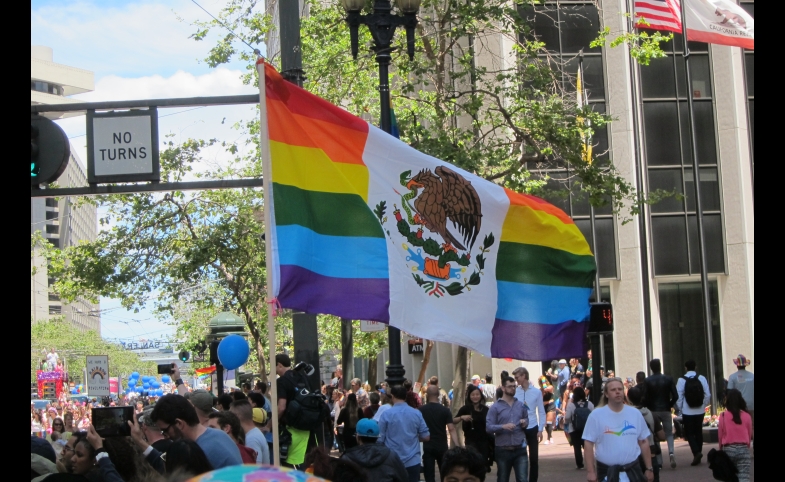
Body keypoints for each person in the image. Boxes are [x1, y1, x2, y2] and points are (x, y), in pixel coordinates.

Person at [143, 393, 242, 470]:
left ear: (179, 423)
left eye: (165, 430)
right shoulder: (219, 435)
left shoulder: (197, 452)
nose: (166, 436)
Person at [582, 378, 654, 482]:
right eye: (613, 390)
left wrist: (649, 468)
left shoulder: (635, 414)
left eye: (620, 389)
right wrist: (591, 471)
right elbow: (588, 444)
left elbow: (643, 441)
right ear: (606, 394)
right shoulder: (596, 415)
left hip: (633, 472)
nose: (617, 392)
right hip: (607, 473)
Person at [378, 384, 431, 482]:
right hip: (413, 460)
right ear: (405, 397)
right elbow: (426, 436)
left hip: (392, 460)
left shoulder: (386, 415)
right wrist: (413, 436)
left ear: (392, 396)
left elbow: (380, 439)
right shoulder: (416, 413)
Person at [486, 376, 528, 482]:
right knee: (503, 479)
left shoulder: (521, 405)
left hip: (520, 449)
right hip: (503, 450)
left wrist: (524, 422)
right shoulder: (495, 407)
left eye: (514, 386)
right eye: (510, 386)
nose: (513, 389)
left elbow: (527, 419)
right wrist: (503, 426)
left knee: (523, 479)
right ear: (503, 388)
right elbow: (488, 427)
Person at [341, 418, 408, 482]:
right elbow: (403, 478)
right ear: (377, 438)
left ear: (357, 437)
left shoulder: (347, 459)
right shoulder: (391, 456)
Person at [275, 353, 312, 469]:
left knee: (290, 467)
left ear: (279, 365)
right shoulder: (303, 377)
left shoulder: (281, 381)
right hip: (306, 428)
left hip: (290, 431)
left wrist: (270, 425)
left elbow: (281, 407)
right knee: (301, 465)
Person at [512, 367, 545, 482]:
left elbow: (541, 411)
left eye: (517, 377)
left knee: (534, 458)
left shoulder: (536, 392)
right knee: (520, 456)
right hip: (519, 427)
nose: (516, 380)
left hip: (532, 426)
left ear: (524, 376)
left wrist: (540, 429)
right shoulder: (515, 391)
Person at [419, 385, 459, 482]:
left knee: (429, 474)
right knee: (444, 472)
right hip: (442, 445)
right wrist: (457, 444)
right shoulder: (445, 410)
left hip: (427, 445)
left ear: (427, 395)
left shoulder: (421, 410)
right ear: (438, 394)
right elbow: (451, 428)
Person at [644, 358, 678, 469]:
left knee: (656, 435)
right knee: (669, 433)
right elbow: (675, 395)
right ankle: (671, 452)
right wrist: (670, 404)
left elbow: (645, 396)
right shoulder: (668, 379)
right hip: (665, 409)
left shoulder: (648, 381)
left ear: (651, 368)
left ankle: (659, 461)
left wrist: (648, 407)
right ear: (660, 366)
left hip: (653, 410)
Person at [675, 360, 711, 466]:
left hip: (687, 411)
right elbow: (707, 394)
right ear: (696, 367)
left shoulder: (681, 380)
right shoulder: (701, 378)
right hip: (700, 410)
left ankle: (696, 452)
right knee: (698, 431)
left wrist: (680, 408)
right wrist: (704, 404)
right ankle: (698, 452)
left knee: (689, 433)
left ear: (685, 368)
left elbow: (679, 396)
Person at [628, 386, 665, 482]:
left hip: (633, 456)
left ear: (628, 398)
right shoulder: (651, 414)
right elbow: (661, 435)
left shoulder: (627, 415)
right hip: (651, 453)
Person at [718, 389, 753, 482]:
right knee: (744, 477)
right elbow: (749, 434)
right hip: (743, 449)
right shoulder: (747, 416)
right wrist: (747, 446)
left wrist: (720, 448)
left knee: (729, 478)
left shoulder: (723, 416)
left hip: (728, 449)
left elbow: (720, 435)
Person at [454, 385, 492, 473]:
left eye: (477, 394)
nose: (475, 397)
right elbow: (453, 420)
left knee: (482, 465)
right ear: (469, 396)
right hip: (471, 441)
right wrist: (462, 417)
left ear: (481, 396)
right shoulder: (465, 409)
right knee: (472, 464)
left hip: (484, 441)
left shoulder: (485, 409)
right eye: (473, 395)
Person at [230, 399, 270, 464]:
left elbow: (255, 467)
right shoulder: (253, 434)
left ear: (237, 416)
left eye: (231, 416)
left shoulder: (252, 439)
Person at [564, 387, 593, 470]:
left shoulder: (571, 405)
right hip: (587, 428)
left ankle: (580, 464)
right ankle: (590, 463)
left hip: (574, 429)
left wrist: (566, 423)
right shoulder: (589, 404)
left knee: (577, 447)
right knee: (587, 446)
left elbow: (567, 417)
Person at [727, 355, 754, 434]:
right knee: (752, 425)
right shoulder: (752, 376)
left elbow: (729, 392)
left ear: (737, 365)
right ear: (745, 365)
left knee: (741, 426)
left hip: (738, 406)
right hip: (752, 405)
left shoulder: (732, 377)